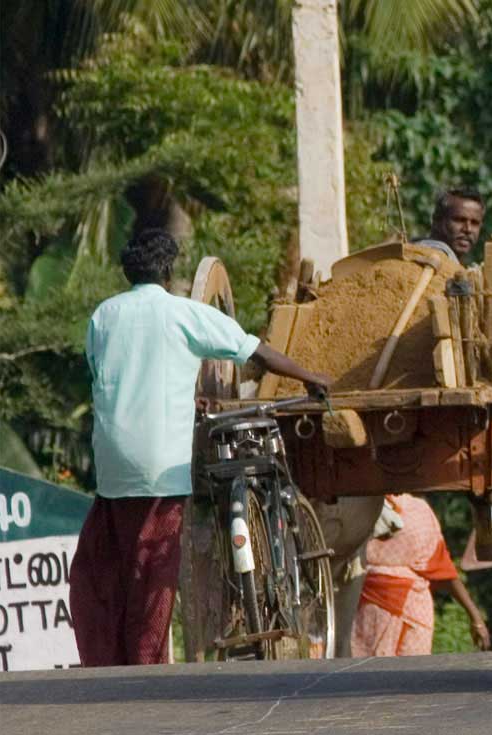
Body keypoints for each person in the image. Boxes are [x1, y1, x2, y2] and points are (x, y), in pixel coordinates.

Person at [70, 229, 333, 667]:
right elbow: (255, 351)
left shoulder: (103, 315)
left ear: (126, 270)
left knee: (109, 568)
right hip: (161, 465)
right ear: (169, 271)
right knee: (154, 570)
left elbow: (112, 376)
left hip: (112, 465)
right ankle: (143, 665)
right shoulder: (183, 313)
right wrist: (310, 377)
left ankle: (107, 660)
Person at [351, 494, 490, 656]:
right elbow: (443, 570)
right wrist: (475, 617)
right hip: (389, 611)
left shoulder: (355, 508)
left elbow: (442, 569)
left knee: (368, 675)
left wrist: (475, 617)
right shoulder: (417, 510)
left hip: (381, 611)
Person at [414, 188, 485, 264]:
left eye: (475, 223)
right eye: (459, 220)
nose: (468, 229)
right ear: (437, 220)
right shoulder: (427, 257)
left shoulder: (452, 263)